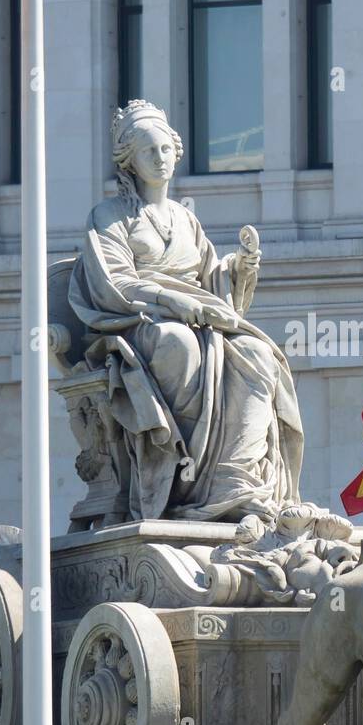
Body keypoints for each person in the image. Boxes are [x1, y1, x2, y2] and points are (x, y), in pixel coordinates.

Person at [68, 100, 303, 521]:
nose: (159, 159)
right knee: (180, 347)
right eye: (147, 152)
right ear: (130, 161)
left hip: (200, 318)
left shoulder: (183, 218)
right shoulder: (108, 217)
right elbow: (113, 284)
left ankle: (233, 476)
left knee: (259, 355)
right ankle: (186, 481)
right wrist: (172, 301)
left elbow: (211, 278)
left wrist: (239, 268)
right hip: (137, 324)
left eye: (164, 150)